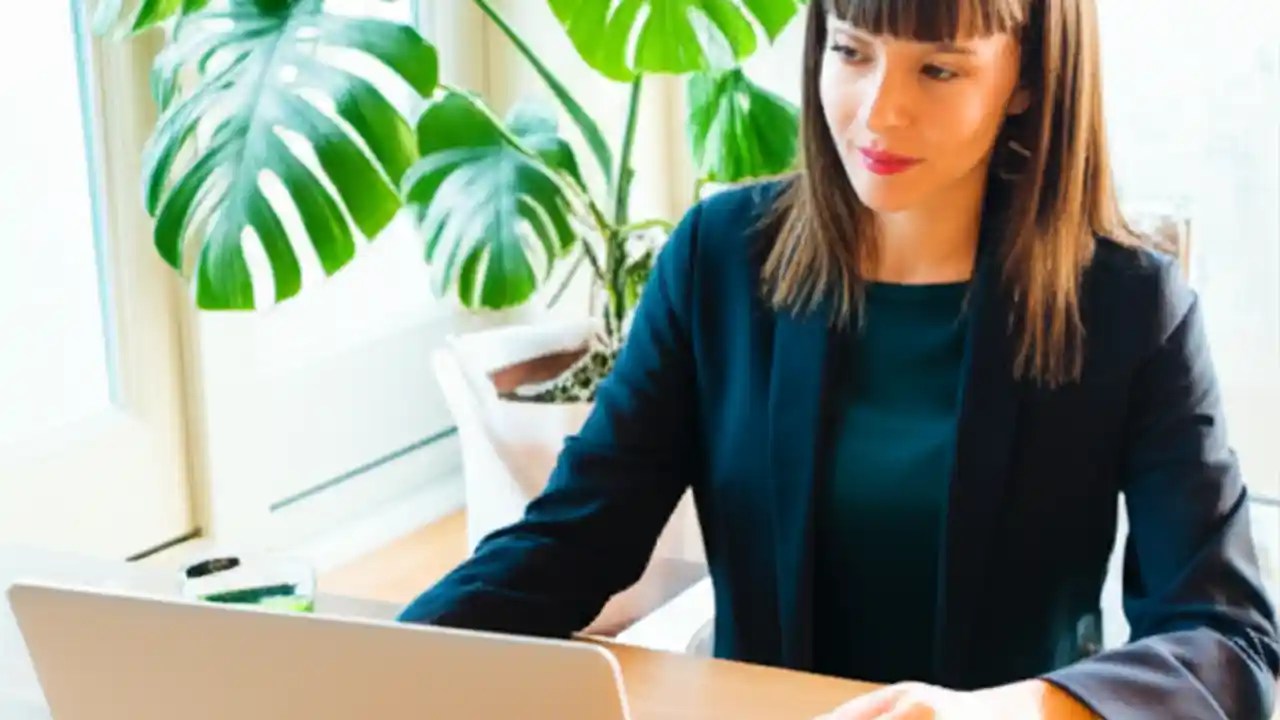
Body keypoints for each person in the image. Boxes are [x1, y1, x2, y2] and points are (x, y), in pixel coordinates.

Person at [397, 0, 1280, 717]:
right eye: (852, 51)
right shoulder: (719, 258)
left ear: (1027, 79)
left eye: (938, 69)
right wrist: (370, 668)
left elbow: (1226, 639)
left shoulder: (1128, 306)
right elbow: (574, 539)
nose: (878, 110)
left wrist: (1004, 713)